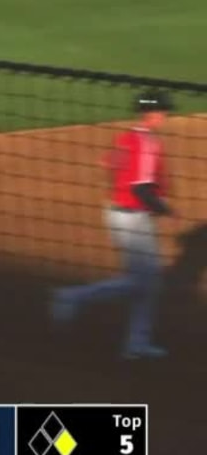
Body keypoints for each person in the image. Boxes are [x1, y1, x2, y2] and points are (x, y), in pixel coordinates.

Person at [51, 90, 174, 359]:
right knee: (146, 281)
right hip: (134, 219)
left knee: (145, 281)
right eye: (163, 111)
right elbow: (142, 188)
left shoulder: (126, 137)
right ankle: (75, 297)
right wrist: (164, 208)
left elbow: (107, 164)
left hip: (117, 214)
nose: (165, 116)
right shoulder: (147, 143)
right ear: (151, 113)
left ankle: (135, 343)